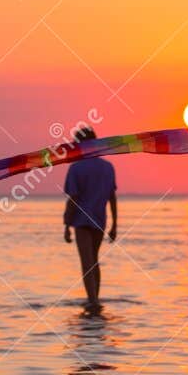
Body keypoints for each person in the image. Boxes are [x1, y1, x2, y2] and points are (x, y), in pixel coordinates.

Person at [61, 125, 116, 313]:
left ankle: (92, 301)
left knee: (87, 261)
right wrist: (115, 224)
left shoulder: (76, 168)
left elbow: (73, 198)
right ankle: (95, 298)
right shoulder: (107, 167)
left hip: (82, 221)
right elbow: (112, 197)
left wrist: (66, 225)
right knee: (94, 260)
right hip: (100, 220)